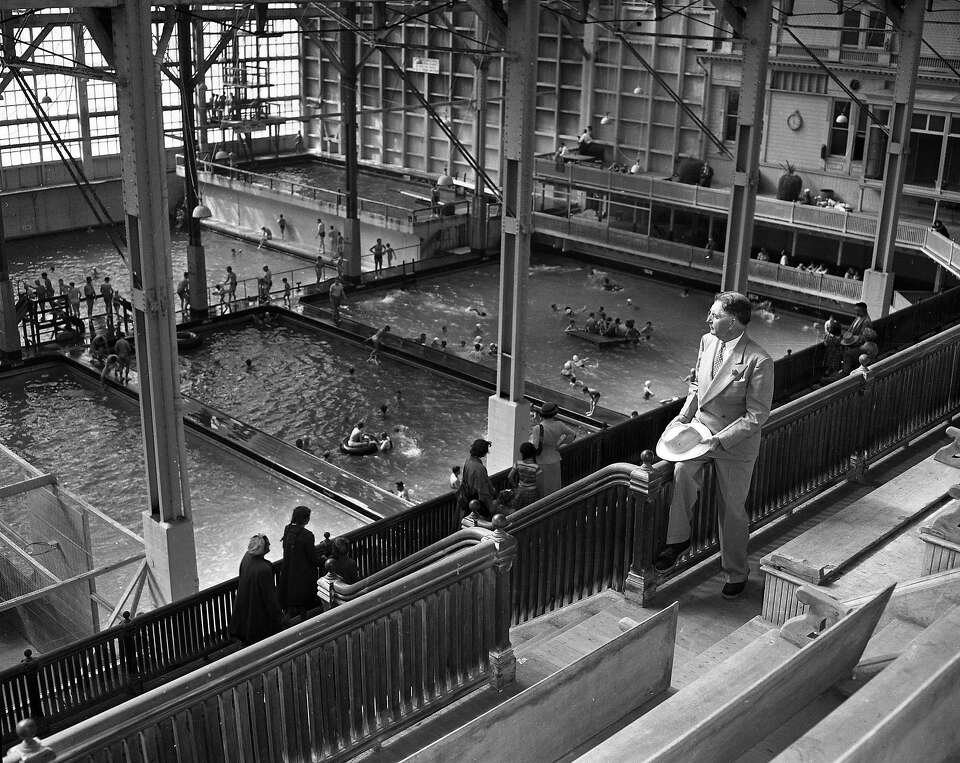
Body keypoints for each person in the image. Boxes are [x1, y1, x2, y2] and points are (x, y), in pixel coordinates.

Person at [653, 291, 774, 600]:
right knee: (682, 470)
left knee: (732, 509)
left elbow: (757, 416)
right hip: (702, 430)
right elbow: (696, 386)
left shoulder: (759, 360)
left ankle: (736, 570)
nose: (708, 320)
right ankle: (678, 540)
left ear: (732, 322)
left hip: (735, 443)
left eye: (714, 315)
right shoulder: (708, 341)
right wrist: (681, 418)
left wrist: (719, 440)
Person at [228, 534, 287, 645]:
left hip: (244, 610)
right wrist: (279, 617)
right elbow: (270, 598)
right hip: (258, 616)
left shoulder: (246, 557)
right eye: (267, 544)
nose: (269, 544)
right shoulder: (263, 569)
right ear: (262, 549)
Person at [277, 506, 322, 619]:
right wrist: (323, 559)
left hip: (288, 574)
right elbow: (313, 559)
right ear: (306, 519)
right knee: (304, 606)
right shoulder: (308, 535)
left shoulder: (287, 529)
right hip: (303, 578)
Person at [530, 402, 578, 494]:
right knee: (555, 489)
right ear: (554, 414)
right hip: (555, 459)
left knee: (543, 490)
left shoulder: (537, 428)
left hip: (541, 462)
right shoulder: (559, 425)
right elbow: (573, 435)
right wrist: (559, 444)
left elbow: (536, 447)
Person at [458, 438, 498, 518]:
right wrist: (491, 508)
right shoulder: (479, 468)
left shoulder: (468, 461)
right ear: (483, 452)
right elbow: (483, 492)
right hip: (476, 503)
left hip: (467, 499)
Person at [507, 441, 544, 512]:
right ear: (533, 453)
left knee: (518, 511)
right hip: (532, 492)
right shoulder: (536, 467)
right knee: (531, 511)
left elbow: (509, 477)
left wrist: (515, 487)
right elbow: (540, 484)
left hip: (520, 491)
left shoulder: (518, 463)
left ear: (522, 453)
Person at [840, 302, 873, 374]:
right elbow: (850, 330)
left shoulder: (866, 321)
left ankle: (845, 372)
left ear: (864, 310)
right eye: (856, 311)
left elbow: (863, 338)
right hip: (851, 342)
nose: (856, 312)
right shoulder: (858, 317)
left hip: (860, 346)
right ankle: (841, 368)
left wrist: (851, 344)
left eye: (858, 311)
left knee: (847, 353)